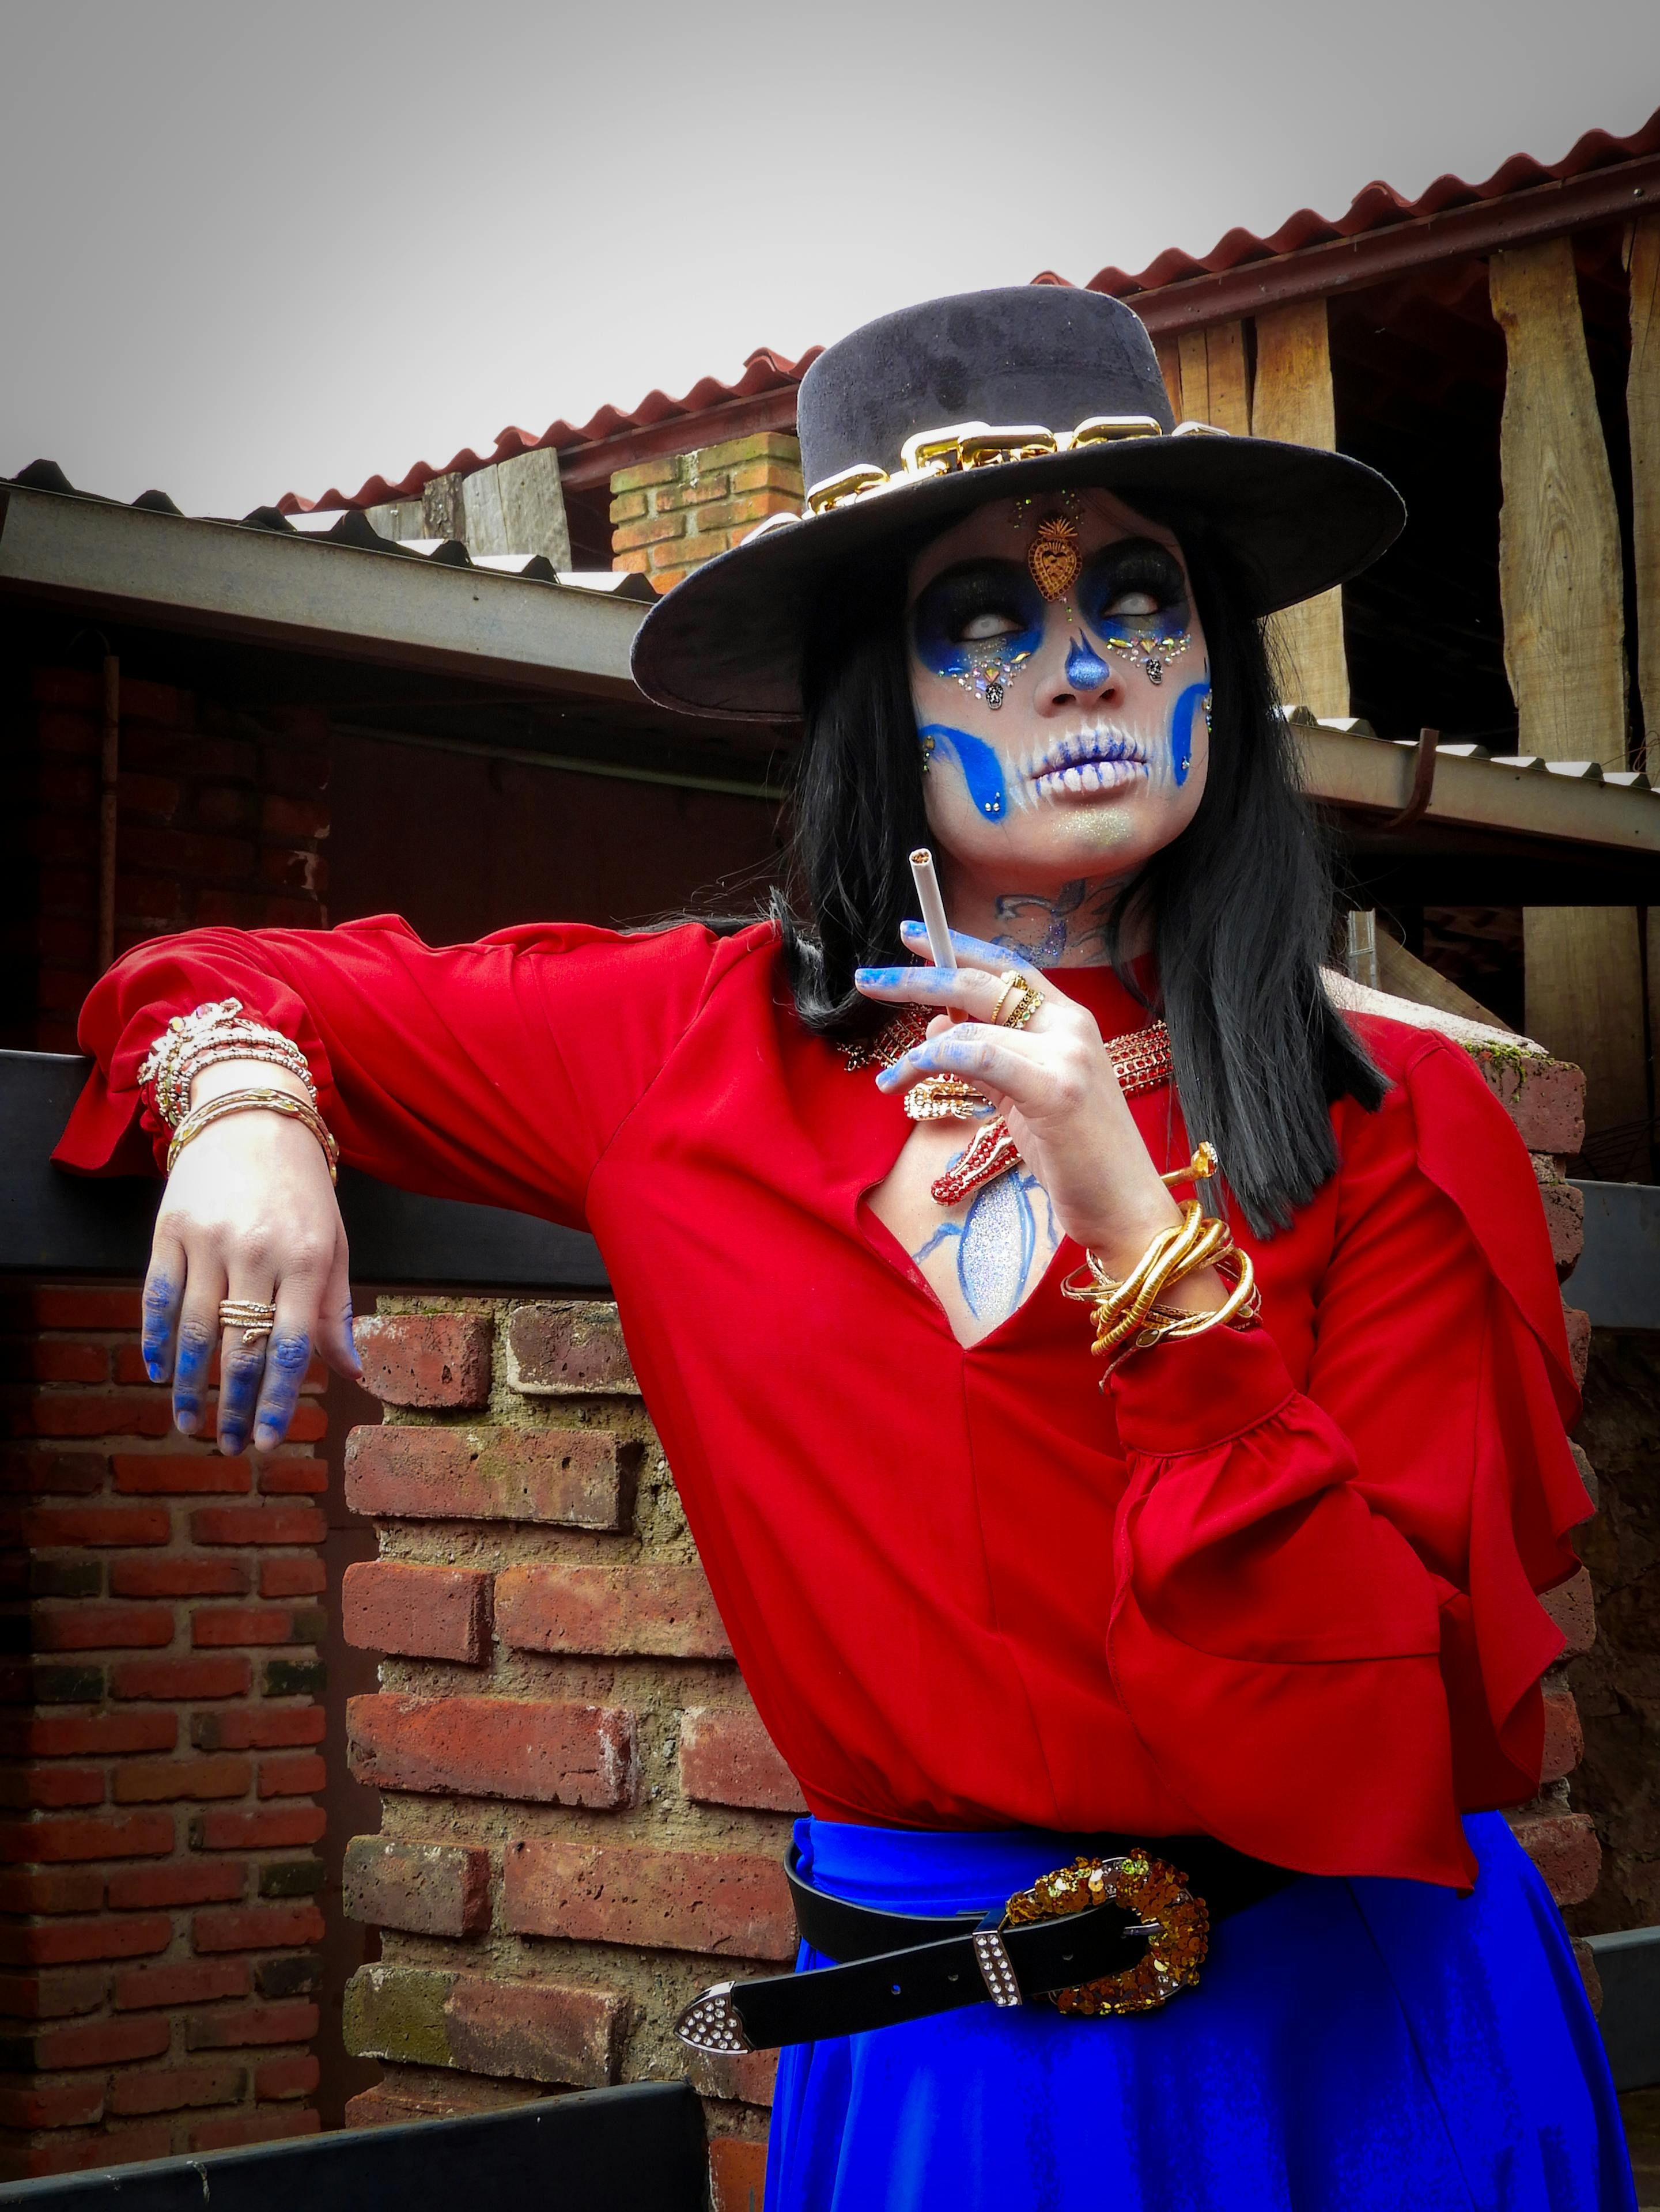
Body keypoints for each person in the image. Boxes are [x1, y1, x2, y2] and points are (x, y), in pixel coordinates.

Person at [59, 287, 1633, 2211]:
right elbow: (226, 969)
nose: (1084, 674)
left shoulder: (1393, 1114)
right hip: (947, 2059)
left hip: (1341, 2035)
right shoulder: (676, 1050)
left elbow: (1360, 1716)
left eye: (1140, 605)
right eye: (986, 626)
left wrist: (1133, 1236)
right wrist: (241, 1099)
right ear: (867, 696)